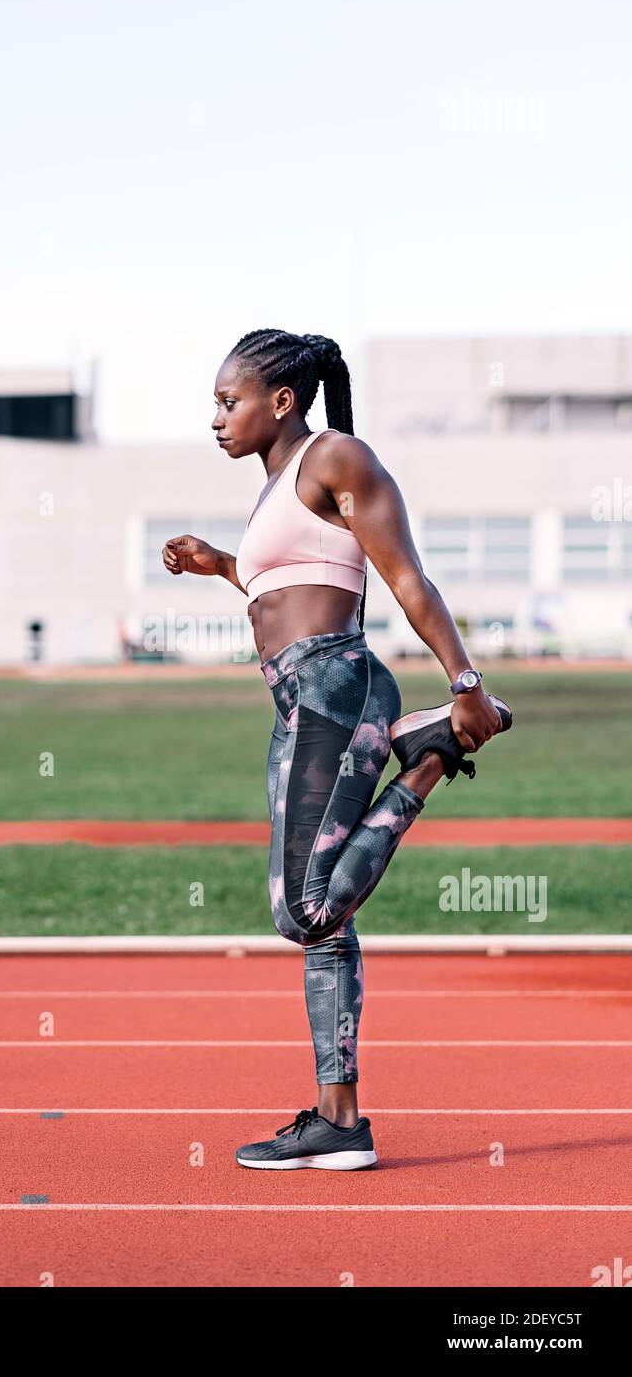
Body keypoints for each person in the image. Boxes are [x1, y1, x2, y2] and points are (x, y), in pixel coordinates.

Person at [162, 328, 512, 1172]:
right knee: (326, 926)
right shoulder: (278, 486)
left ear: (280, 400)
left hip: (335, 687)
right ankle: (338, 1121)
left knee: (304, 910)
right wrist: (220, 566)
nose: (215, 418)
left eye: (226, 401)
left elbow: (405, 578)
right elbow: (294, 585)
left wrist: (464, 685)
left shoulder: (337, 458)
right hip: (303, 698)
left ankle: (427, 755)